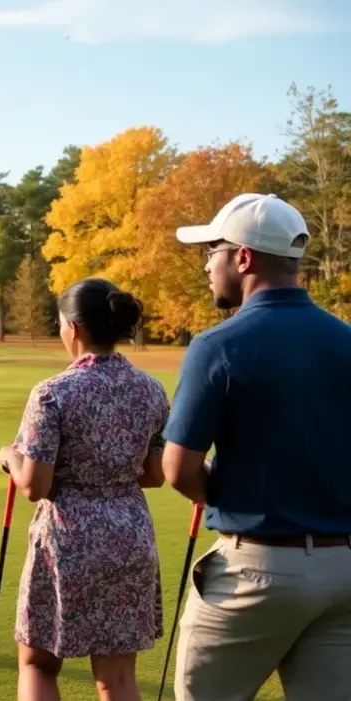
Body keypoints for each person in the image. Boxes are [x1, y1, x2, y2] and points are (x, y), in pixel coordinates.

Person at [162, 193, 351, 701]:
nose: (207, 265)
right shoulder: (347, 340)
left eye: (212, 252)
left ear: (243, 258)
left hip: (257, 573)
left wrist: (223, 494)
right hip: (344, 570)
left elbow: (178, 469)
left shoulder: (217, 345)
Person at [0, 278, 169, 701]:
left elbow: (34, 485)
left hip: (68, 538)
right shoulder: (151, 389)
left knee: (38, 664)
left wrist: (9, 457)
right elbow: (154, 476)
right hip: (130, 536)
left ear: (74, 327)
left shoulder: (52, 393)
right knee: (119, 678)